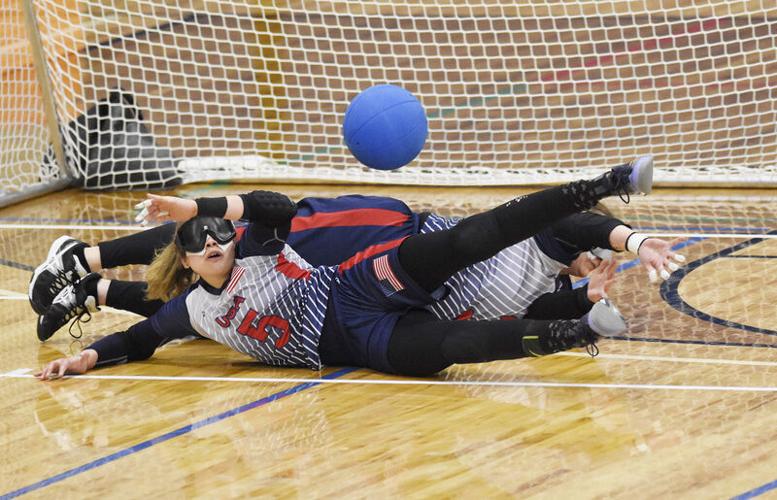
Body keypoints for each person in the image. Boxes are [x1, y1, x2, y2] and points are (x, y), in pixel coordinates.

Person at [37, 156, 653, 380]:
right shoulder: (195, 311)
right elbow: (141, 338)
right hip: (357, 341)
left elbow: (273, 208)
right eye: (204, 243)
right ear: (191, 262)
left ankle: (604, 182)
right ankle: (578, 336)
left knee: (468, 239)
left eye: (222, 236)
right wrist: (84, 359)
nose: (218, 244)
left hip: (354, 287)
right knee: (450, 350)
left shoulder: (259, 255)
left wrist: (195, 205)